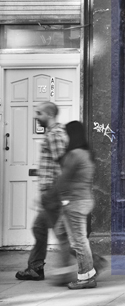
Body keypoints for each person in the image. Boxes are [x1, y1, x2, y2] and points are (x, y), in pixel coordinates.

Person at [15, 102, 68, 282]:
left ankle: (91, 263)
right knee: (41, 228)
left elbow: (62, 165)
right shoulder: (54, 134)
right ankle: (35, 267)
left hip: (53, 192)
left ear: (49, 115)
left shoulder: (55, 136)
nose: (36, 116)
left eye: (39, 113)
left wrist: (53, 193)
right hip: (50, 193)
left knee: (62, 233)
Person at [49, 121, 97, 289]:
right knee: (61, 231)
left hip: (74, 202)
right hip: (83, 199)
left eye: (66, 134)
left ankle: (86, 276)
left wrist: (58, 198)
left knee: (78, 241)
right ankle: (86, 265)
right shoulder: (86, 153)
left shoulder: (75, 154)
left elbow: (63, 179)